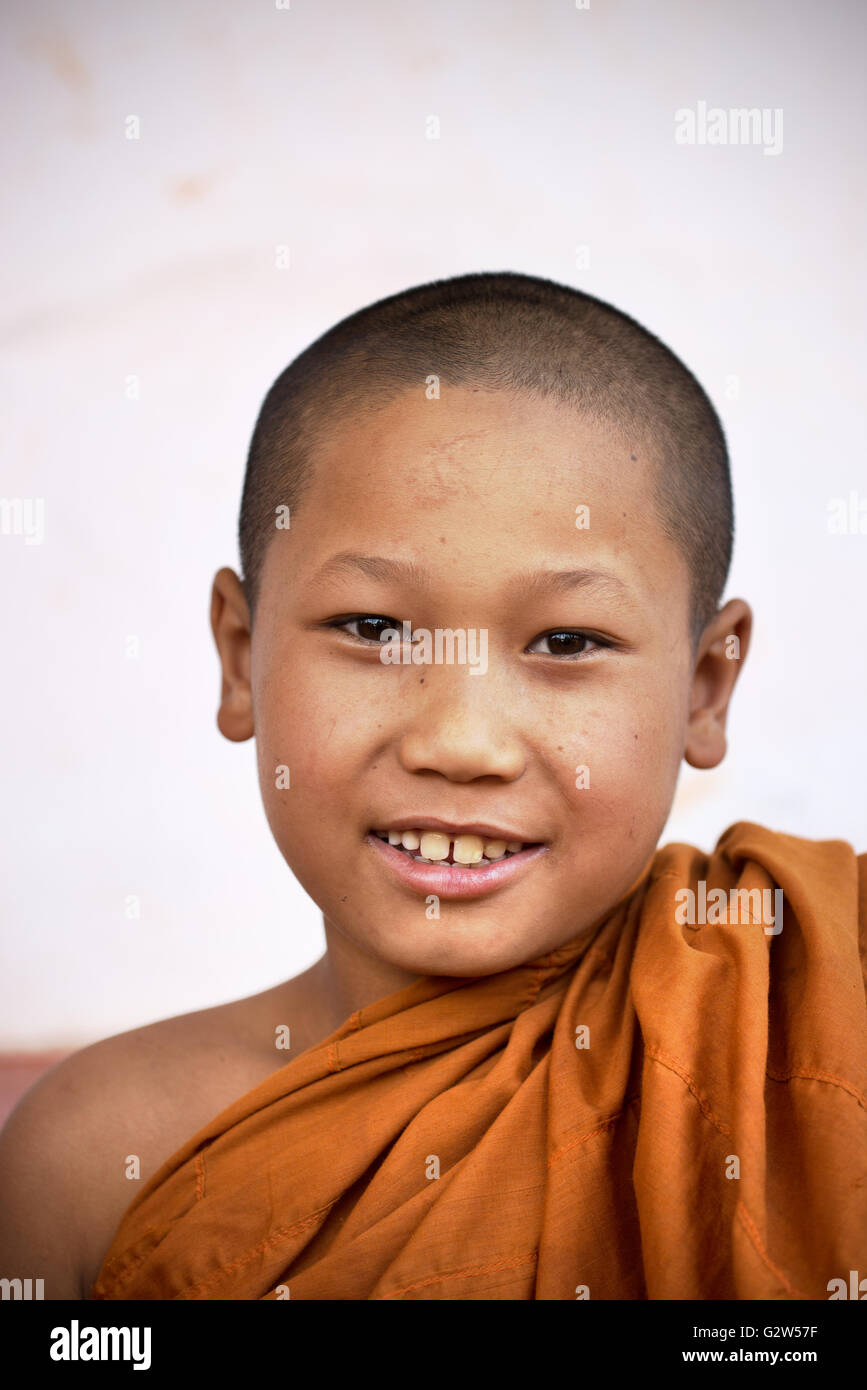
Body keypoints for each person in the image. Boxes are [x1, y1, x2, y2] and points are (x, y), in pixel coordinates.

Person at [1, 271, 864, 1300]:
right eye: (372, 629)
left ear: (705, 686)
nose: (462, 743)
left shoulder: (814, 1001)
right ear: (240, 656)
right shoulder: (101, 1154)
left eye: (568, 641)